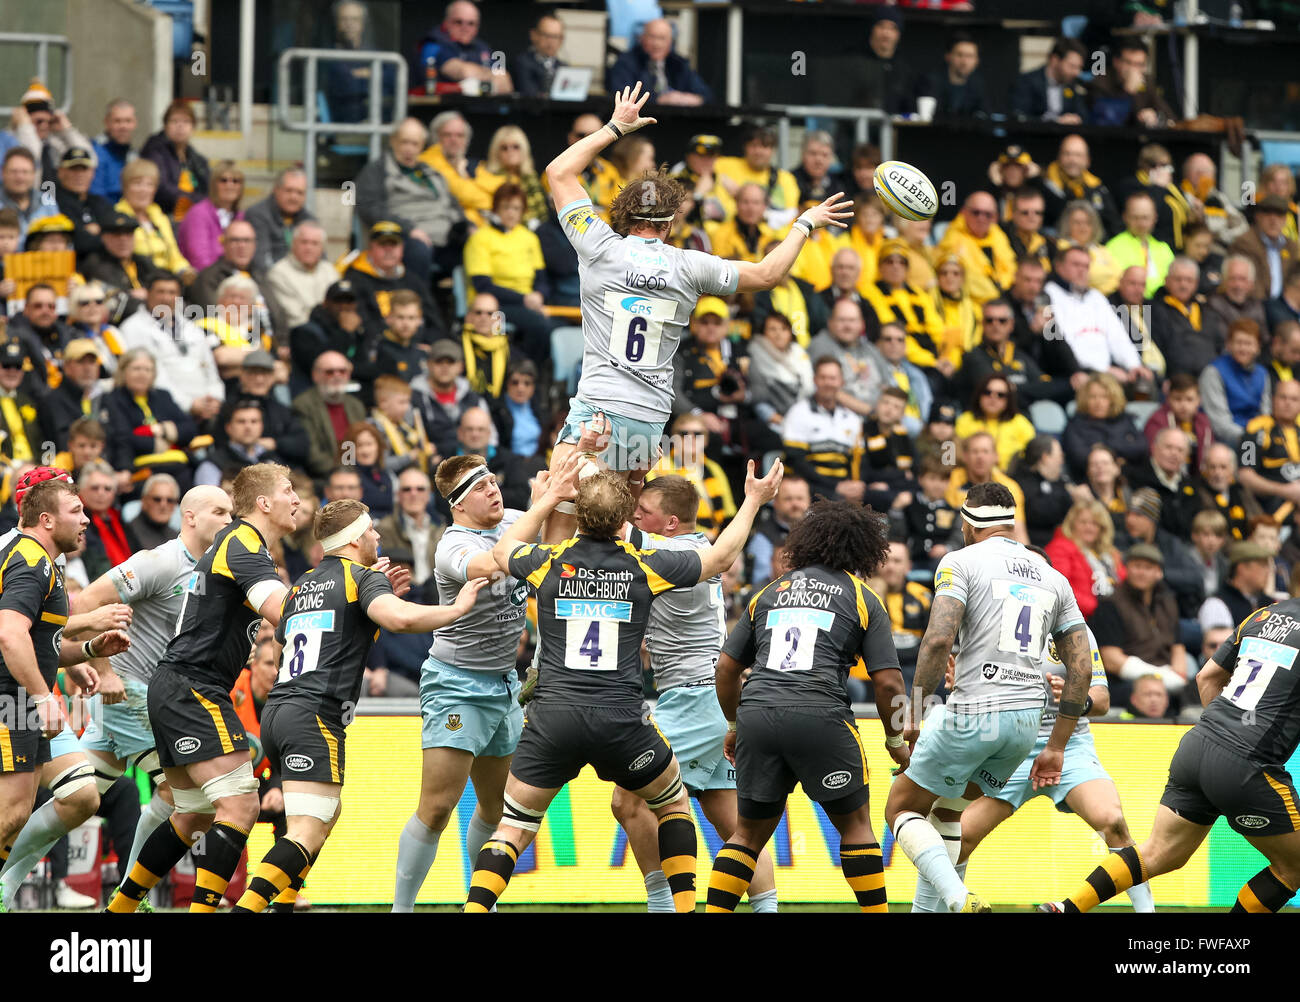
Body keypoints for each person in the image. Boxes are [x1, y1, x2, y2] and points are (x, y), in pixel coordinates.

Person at [460, 453, 783, 913]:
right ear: (621, 522)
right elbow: (723, 558)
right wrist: (751, 501)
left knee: (512, 826)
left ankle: (475, 908)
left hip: (556, 718)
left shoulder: (548, 562)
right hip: (626, 718)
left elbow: (503, 546)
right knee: (677, 806)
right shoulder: (648, 561)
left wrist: (552, 493)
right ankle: (684, 906)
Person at [543, 84, 849, 527]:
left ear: (624, 215)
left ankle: (550, 599)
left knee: (562, 510)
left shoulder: (598, 245)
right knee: (621, 526)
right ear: (671, 223)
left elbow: (559, 172)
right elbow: (768, 274)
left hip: (599, 408)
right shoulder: (690, 266)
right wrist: (804, 222)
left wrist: (615, 127)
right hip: (649, 420)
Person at [230, 498, 484, 913]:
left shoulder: (302, 584)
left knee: (325, 815)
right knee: (306, 833)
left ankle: (283, 904)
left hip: (279, 713)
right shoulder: (361, 578)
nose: (378, 536)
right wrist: (454, 608)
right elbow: (400, 619)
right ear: (353, 540)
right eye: (371, 530)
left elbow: (284, 647)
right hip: (315, 715)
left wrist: (372, 613)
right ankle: (247, 910)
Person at [885, 480, 1094, 913]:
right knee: (947, 814)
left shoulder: (959, 562)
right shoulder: (1054, 578)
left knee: (900, 809)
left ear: (967, 523)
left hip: (976, 710)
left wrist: (915, 714)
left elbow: (938, 640)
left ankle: (959, 898)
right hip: (1025, 726)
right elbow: (1081, 667)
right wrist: (1056, 745)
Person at [102, 464, 302, 912]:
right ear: (264, 503)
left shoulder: (247, 547)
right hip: (194, 687)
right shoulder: (243, 541)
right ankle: (205, 909)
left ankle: (121, 908)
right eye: (288, 491)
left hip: (178, 685)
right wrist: (343, 594)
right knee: (242, 806)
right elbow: (281, 610)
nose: (298, 500)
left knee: (193, 814)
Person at [704, 498, 905, 913]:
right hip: (821, 718)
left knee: (745, 835)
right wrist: (896, 738)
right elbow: (888, 682)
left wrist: (735, 724)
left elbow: (725, 667)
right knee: (855, 825)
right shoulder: (863, 596)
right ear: (863, 550)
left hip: (758, 715)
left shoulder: (768, 594)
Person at [1040, 592, 1300, 913]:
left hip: (1198, 743)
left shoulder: (1261, 616)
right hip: (1247, 763)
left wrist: (1222, 733)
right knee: (1294, 867)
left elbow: (1206, 676)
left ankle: (1067, 907)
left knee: (1160, 853)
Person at [611, 475, 779, 913]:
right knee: (735, 826)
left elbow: (606, 520)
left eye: (642, 511)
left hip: (692, 699)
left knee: (628, 799)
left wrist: (583, 463)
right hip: (710, 699)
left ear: (669, 522)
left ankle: (662, 904)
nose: (634, 515)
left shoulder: (670, 554)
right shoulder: (691, 550)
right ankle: (768, 908)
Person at [67, 485, 231, 901]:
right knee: (186, 796)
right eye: (220, 511)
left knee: (75, 799)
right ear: (190, 516)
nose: (229, 521)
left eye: (231, 513)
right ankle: (130, 896)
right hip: (129, 691)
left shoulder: (216, 569)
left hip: (145, 696)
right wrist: (103, 671)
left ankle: (8, 878)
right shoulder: (158, 561)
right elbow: (86, 602)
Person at [958, 622, 1155, 912]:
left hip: (1070, 747)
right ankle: (948, 903)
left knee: (1112, 821)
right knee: (960, 835)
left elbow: (1102, 700)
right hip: (1011, 749)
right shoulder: (994, 623)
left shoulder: (1078, 631)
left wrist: (1079, 700)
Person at [0, 477, 129, 901]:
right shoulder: (31, 561)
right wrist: (41, 695)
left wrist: (88, 649)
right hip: (12, 698)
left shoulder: (36, 555)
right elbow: (9, 634)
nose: (87, 520)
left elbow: (38, 639)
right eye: (76, 511)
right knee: (12, 810)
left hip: (21, 697)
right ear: (45, 518)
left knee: (47, 804)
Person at [462, 183, 551, 366]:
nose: (511, 213)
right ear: (496, 209)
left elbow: (542, 278)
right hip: (492, 306)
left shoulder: (530, 238)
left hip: (526, 303)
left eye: (516, 208)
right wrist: (525, 299)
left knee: (553, 325)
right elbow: (482, 285)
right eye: (506, 207)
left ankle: (526, 372)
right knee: (539, 325)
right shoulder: (480, 238)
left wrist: (539, 296)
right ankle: (522, 370)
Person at [118, 273, 225, 423]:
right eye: (160, 292)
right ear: (147, 294)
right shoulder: (133, 328)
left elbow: (210, 369)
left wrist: (215, 398)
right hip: (164, 411)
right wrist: (189, 404)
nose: (166, 298)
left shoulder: (192, 328)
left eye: (172, 292)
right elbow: (152, 376)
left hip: (206, 408)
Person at [1044, 244, 1148, 386]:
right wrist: (1103, 371)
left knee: (1146, 382)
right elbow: (1060, 342)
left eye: (1086, 266)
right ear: (1059, 266)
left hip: (1108, 372)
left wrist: (1133, 365)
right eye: (1076, 265)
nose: (1082, 271)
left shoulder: (1096, 296)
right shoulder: (1048, 294)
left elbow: (1117, 335)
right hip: (1073, 373)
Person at [781, 356, 864, 501]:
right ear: (815, 380)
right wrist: (834, 486)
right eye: (823, 377)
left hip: (842, 489)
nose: (828, 383)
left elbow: (858, 462)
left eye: (832, 378)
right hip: (808, 487)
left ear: (841, 382)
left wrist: (856, 485)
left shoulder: (853, 419)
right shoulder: (798, 413)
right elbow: (796, 461)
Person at [1044, 499, 1126, 621]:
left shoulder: (1110, 554)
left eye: (1094, 523)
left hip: (1113, 615)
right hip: (1082, 618)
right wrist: (1096, 608)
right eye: (1083, 522)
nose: (1089, 527)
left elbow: (1125, 583)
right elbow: (1059, 589)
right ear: (1072, 524)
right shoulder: (1060, 548)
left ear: (1102, 528)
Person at [292, 351, 367, 481]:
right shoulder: (303, 405)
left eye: (342, 371)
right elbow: (312, 453)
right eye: (330, 372)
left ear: (348, 374)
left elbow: (359, 445)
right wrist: (340, 473)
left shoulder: (356, 405)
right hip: (323, 477)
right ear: (315, 375)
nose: (337, 376)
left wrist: (353, 471)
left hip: (356, 473)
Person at [115, 158, 193, 282]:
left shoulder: (160, 217)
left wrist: (186, 271)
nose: (143, 190)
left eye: (149, 184)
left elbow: (174, 257)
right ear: (125, 187)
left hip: (166, 280)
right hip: (138, 280)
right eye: (137, 183)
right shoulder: (117, 217)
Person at [1061, 372, 1147, 480]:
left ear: (1113, 399)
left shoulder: (1125, 420)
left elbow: (1141, 448)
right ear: (1085, 399)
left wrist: (1102, 448)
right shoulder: (1075, 425)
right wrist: (1118, 458)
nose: (1098, 402)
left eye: (1104, 397)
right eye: (1093, 397)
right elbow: (1080, 457)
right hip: (1089, 482)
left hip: (1129, 479)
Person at [415, 1, 513, 96]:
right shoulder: (434, 43)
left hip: (481, 108)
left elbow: (506, 83)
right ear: (446, 22)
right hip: (442, 108)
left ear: (477, 26)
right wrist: (491, 78)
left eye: (471, 23)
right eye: (458, 22)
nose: (465, 28)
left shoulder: (481, 47)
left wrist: (480, 79)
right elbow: (464, 72)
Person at [607, 18, 712, 106]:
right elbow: (622, 96)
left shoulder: (679, 64)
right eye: (652, 37)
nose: (656, 44)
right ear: (642, 38)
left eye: (662, 38)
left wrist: (693, 99)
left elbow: (706, 95)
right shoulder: (626, 63)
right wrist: (660, 99)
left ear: (670, 42)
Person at [936, 191, 1016, 305]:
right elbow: (970, 281)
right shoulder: (953, 239)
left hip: (1002, 301)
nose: (981, 218)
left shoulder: (998, 235)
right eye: (976, 212)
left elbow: (1011, 268)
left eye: (988, 214)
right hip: (971, 304)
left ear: (995, 217)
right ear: (964, 212)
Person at [1200, 318, 1270, 446]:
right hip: (1225, 440)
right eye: (1238, 342)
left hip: (1256, 437)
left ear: (1258, 347)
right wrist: (1247, 438)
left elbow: (1265, 413)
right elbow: (1219, 422)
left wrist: (1262, 435)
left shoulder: (1262, 373)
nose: (1243, 348)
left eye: (1248, 343)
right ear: (1228, 345)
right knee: (1249, 457)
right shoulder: (1213, 372)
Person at [263, 221, 337, 335]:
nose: (308, 248)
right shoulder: (278, 273)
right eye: (304, 242)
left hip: (332, 332)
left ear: (322, 248)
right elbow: (295, 318)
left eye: (315, 243)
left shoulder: (329, 270)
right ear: (293, 244)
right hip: (300, 336)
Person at [954, 373, 1035, 472]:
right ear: (979, 395)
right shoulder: (964, 420)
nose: (993, 397)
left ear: (1008, 399)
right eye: (987, 392)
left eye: (1000, 395)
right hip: (968, 478)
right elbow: (950, 456)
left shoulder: (1021, 423)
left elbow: (1032, 459)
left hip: (1010, 479)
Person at [176, 160, 245, 272]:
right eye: (223, 180)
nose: (229, 185)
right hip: (206, 280)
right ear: (213, 184)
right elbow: (200, 260)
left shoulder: (242, 216)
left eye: (236, 181)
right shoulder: (198, 214)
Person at [845, 7, 914, 116]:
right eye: (881, 26)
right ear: (872, 28)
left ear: (898, 34)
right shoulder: (852, 60)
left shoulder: (903, 69)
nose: (886, 34)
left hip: (892, 129)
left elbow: (908, 109)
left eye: (893, 28)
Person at [1106, 191, 1175, 299]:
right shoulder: (1113, 246)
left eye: (1145, 217)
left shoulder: (1164, 248)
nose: (1141, 223)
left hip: (1161, 306)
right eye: (1135, 217)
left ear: (1155, 218)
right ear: (1125, 217)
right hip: (1128, 306)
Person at [1233, 195, 1300, 302]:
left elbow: (1294, 278)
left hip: (1285, 306)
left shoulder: (1291, 246)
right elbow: (1251, 283)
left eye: (1279, 215)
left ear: (1285, 219)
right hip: (1255, 303)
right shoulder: (1245, 243)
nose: (1273, 220)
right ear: (1258, 216)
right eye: (1268, 214)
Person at [1009, 38, 1088, 124]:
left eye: (1079, 67)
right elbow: (1020, 116)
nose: (1077, 72)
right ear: (1054, 60)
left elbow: (1083, 116)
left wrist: (1076, 119)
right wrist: (1056, 122)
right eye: (1072, 66)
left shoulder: (1071, 86)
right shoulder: (1028, 81)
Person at [919, 32, 986, 117]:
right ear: (948, 56)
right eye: (959, 55)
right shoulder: (931, 82)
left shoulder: (977, 85)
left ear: (977, 61)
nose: (964, 62)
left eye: (970, 56)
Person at [90, 99, 138, 203]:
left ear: (134, 123)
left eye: (128, 121)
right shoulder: (95, 152)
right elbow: (96, 197)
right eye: (117, 121)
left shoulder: (135, 155)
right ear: (107, 123)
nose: (123, 126)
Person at [512, 13, 567, 98]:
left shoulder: (564, 67)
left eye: (555, 36)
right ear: (534, 35)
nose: (550, 41)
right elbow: (530, 95)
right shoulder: (523, 63)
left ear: (561, 40)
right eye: (546, 35)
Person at [126, 473, 180, 549]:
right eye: (157, 499)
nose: (163, 505)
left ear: (175, 505)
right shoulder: (126, 533)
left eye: (170, 500)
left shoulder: (178, 539)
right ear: (144, 501)